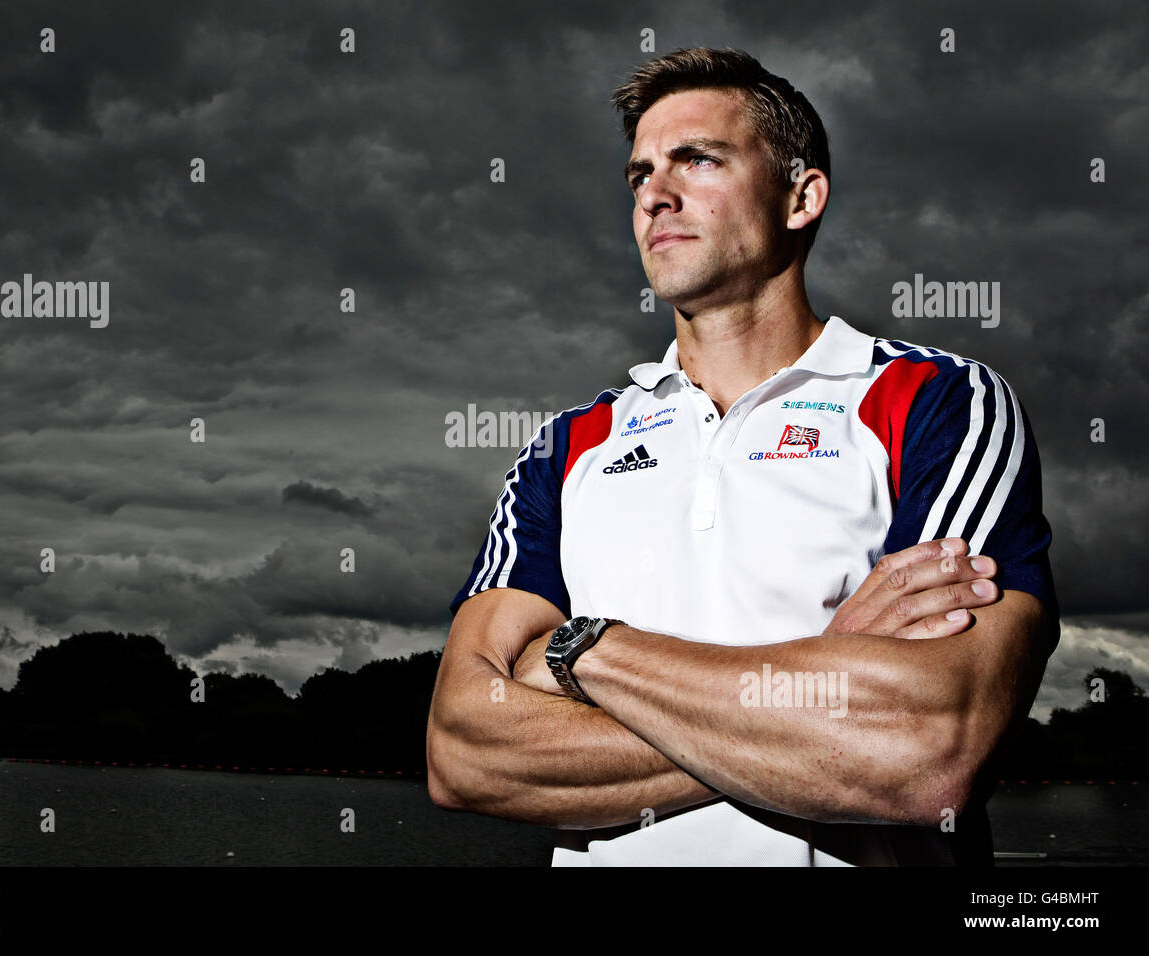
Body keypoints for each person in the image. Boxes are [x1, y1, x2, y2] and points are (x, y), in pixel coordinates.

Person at [426, 47, 1058, 866]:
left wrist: (582, 652)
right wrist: (820, 689)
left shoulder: (941, 403)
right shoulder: (566, 448)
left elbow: (924, 753)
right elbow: (462, 751)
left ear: (801, 196)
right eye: (640, 174)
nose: (656, 193)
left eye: (698, 159)